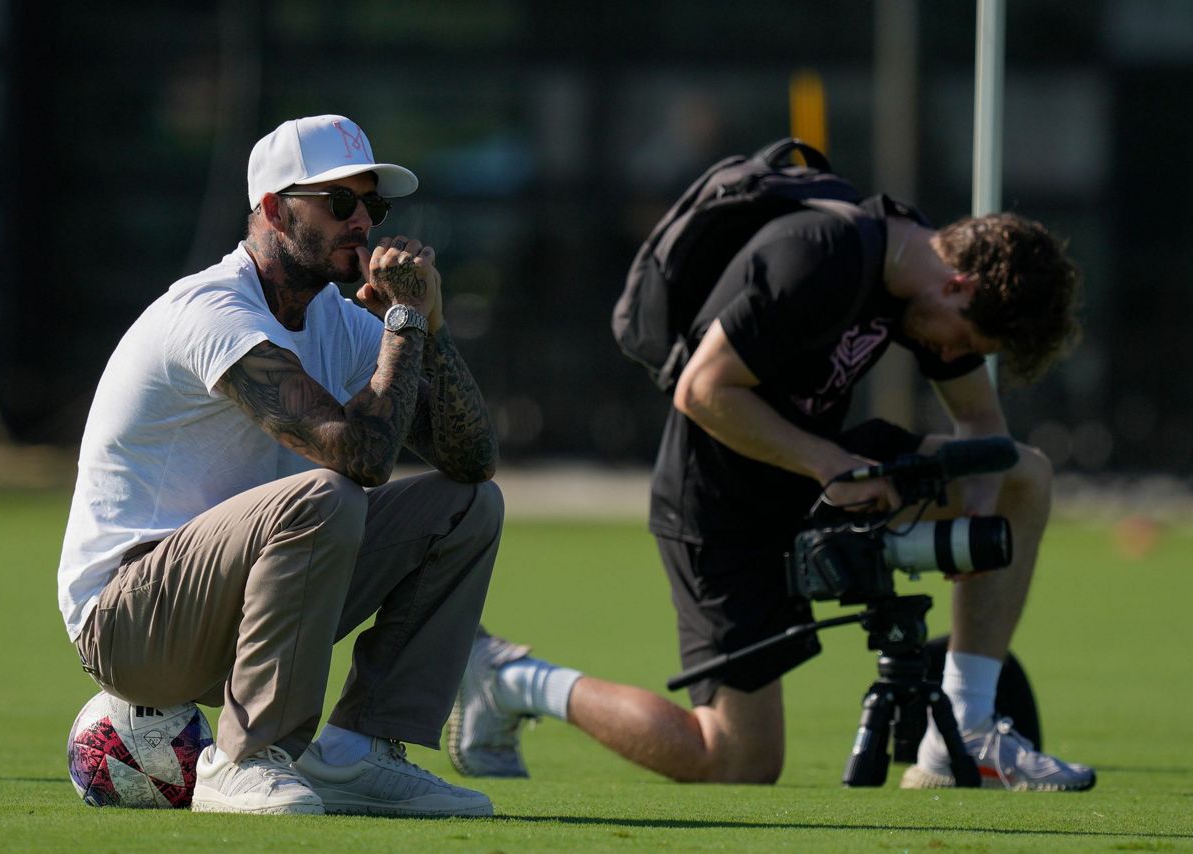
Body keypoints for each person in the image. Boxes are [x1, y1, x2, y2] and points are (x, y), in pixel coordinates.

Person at [449, 194, 1096, 792]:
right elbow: (701, 390)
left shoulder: (920, 290)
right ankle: (508, 681)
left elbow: (982, 427)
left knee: (1020, 476)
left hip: (820, 471)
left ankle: (965, 728)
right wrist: (828, 464)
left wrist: (976, 508)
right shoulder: (820, 255)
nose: (954, 353)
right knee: (737, 761)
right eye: (966, 340)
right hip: (718, 498)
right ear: (960, 285)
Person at [57, 114, 504, 816]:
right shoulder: (212, 310)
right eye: (338, 203)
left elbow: (471, 460)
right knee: (327, 493)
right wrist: (404, 326)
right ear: (272, 208)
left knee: (467, 506)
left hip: (249, 602)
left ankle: (360, 751)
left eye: (373, 205)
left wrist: (431, 328)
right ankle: (243, 759)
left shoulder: (341, 317)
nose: (362, 222)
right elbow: (358, 457)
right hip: (129, 622)